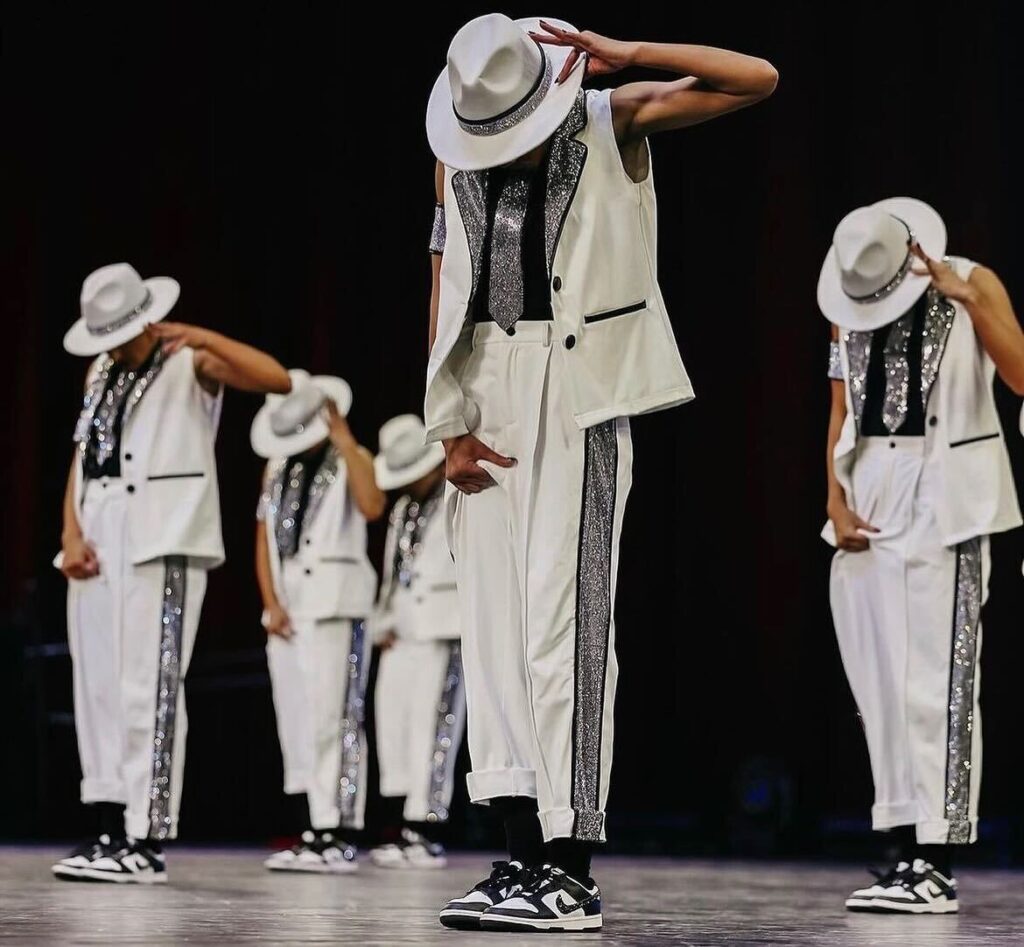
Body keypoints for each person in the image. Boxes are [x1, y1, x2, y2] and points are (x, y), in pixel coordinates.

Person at [424, 13, 777, 932]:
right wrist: (447, 422)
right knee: (494, 631)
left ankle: (570, 866)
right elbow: (446, 283)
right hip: (488, 386)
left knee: (563, 621)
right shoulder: (456, 153)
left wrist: (630, 54)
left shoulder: (604, 115)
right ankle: (516, 856)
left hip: (577, 387)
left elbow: (757, 77)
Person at [54, 262, 291, 883]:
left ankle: (146, 836)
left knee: (150, 685)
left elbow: (278, 379)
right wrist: (70, 531)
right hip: (99, 529)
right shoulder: (99, 371)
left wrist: (203, 337)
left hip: (163, 531)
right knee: (98, 683)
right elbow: (84, 456)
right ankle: (108, 825)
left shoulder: (190, 360)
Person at [821, 198, 1024, 914]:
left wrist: (970, 301)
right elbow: (841, 410)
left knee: (936, 678)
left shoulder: (973, 280)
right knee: (879, 677)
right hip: (872, 485)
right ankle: (902, 846)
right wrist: (835, 498)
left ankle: (935, 857)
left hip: (945, 493)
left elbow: (1023, 374)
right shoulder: (849, 297)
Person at [251, 370, 385, 873]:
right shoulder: (277, 469)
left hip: (336, 601)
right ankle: (314, 824)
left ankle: (339, 830)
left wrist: (345, 438)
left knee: (337, 716)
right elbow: (263, 540)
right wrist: (272, 602)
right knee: (299, 719)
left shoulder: (352, 461)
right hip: (291, 606)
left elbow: (373, 507)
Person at [369, 414, 465, 870]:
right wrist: (383, 619)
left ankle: (425, 830)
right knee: (396, 728)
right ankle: (403, 826)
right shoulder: (403, 508)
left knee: (435, 728)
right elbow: (393, 570)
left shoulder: (458, 495)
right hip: (402, 628)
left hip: (442, 625)